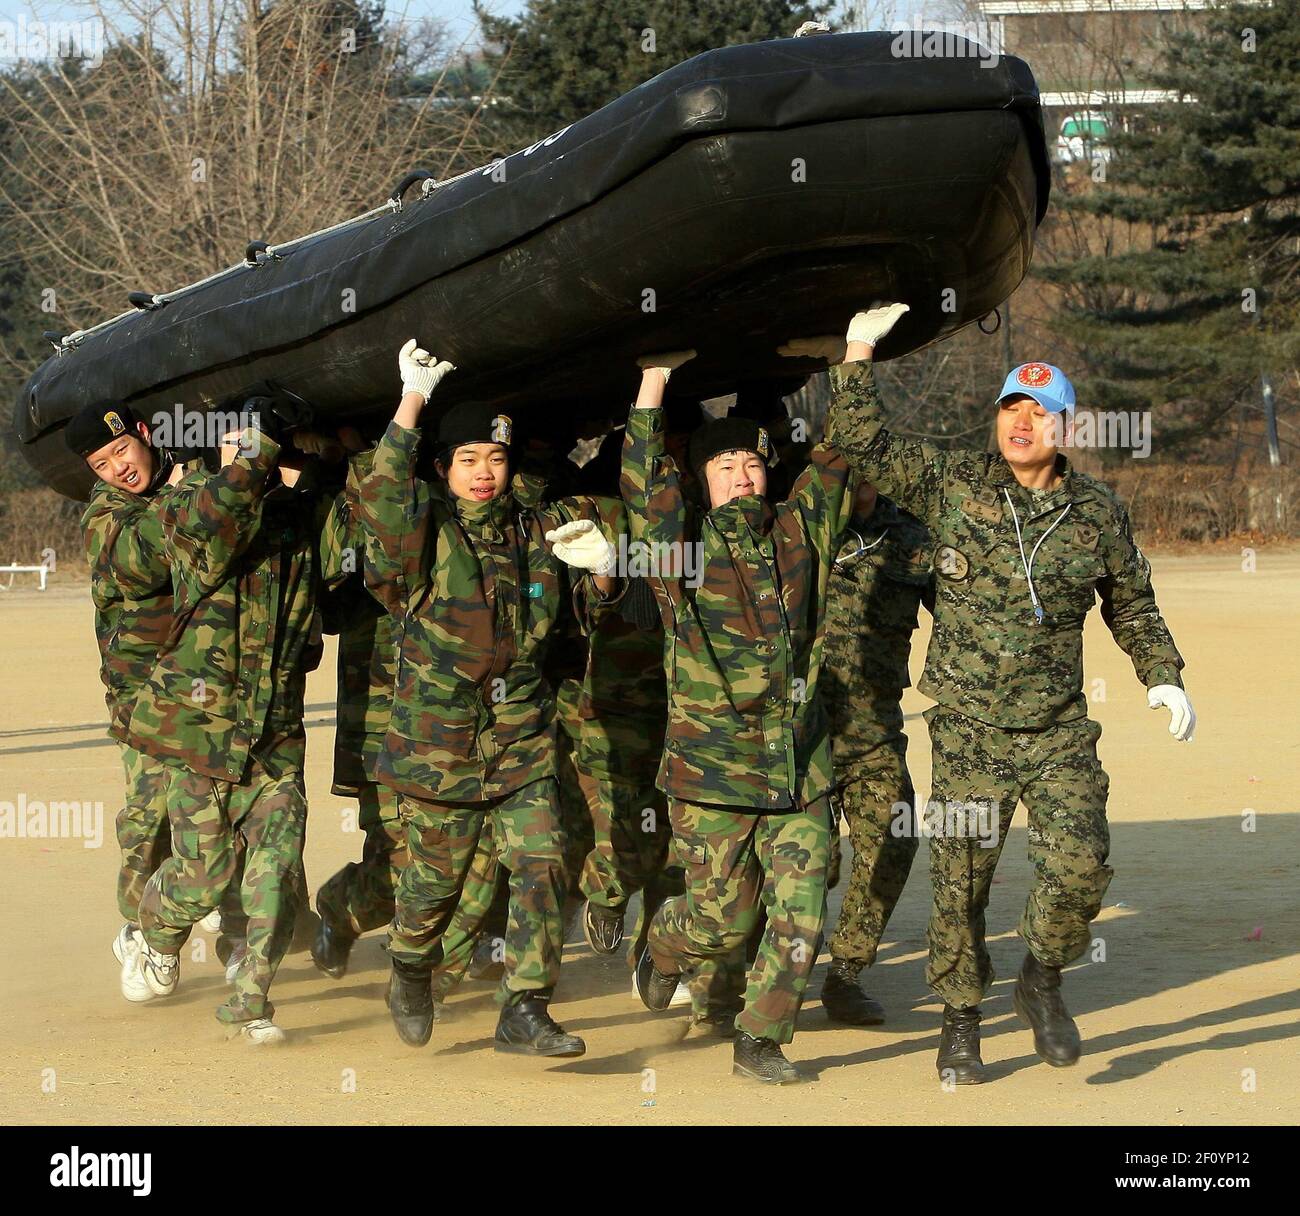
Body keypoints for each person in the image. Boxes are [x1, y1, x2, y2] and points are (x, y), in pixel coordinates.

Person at [806, 304, 1193, 1083]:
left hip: (1056, 730)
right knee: (961, 882)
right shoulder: (951, 486)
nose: (1022, 422)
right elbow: (862, 439)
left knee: (1082, 864)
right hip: (970, 729)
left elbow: (1133, 604)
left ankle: (1042, 977)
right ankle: (960, 1024)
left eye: (1040, 411)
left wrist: (1163, 676)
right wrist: (857, 348)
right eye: (1011, 407)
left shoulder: (1097, 514)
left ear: (1067, 428)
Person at [354, 339, 622, 1058]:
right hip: (439, 749)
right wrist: (410, 403)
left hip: (520, 742)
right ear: (443, 469)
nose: (484, 473)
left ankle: (525, 1006)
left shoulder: (537, 532)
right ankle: (410, 966)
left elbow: (572, 630)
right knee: (432, 894)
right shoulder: (421, 535)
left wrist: (601, 575)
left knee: (542, 864)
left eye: (496, 460)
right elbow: (381, 502)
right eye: (469, 459)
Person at [623, 349, 852, 1084]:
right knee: (723, 921)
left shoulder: (798, 532)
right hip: (712, 773)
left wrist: (857, 358)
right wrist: (654, 383)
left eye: (752, 465)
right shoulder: (681, 550)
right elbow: (642, 485)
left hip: (799, 769)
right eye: (725, 469)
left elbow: (840, 457)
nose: (742, 477)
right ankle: (662, 948)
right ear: (702, 481)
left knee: (801, 905)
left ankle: (761, 1036)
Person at [123, 399, 328, 1044]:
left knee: (275, 867)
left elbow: (361, 519)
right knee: (205, 873)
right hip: (199, 736)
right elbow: (229, 506)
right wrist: (256, 450)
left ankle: (250, 997)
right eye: (239, 443)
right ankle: (154, 934)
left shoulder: (301, 521)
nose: (251, 454)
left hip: (272, 736)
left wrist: (320, 460)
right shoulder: (188, 513)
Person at [68, 403, 185, 997]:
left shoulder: (188, 477)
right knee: (151, 811)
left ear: (144, 434)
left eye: (122, 452)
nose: (118, 469)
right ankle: (137, 926)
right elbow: (146, 560)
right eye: (101, 463)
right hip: (142, 699)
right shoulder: (106, 514)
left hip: (208, 687)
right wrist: (191, 496)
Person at [817, 478, 932, 1023]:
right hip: (795, 731)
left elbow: (967, 616)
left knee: (895, 833)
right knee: (809, 861)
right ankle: (746, 968)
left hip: (873, 727)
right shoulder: (797, 524)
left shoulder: (910, 537)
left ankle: (845, 972)